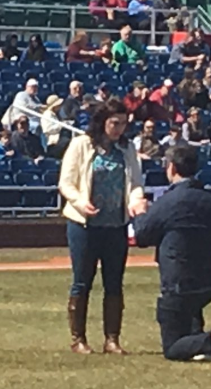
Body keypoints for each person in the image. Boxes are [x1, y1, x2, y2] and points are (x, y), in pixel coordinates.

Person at [129, 144, 211, 363]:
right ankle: (199, 343)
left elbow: (142, 236)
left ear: (171, 167)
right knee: (190, 310)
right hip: (209, 280)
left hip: (178, 282)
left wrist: (140, 213)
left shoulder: (168, 201)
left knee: (172, 347)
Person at [58, 99, 145, 355]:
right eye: (114, 123)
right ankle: (78, 339)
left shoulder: (127, 149)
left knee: (114, 283)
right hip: (84, 225)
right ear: (102, 122)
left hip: (116, 225)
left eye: (123, 124)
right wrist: (80, 201)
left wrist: (136, 200)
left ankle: (112, 339)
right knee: (82, 282)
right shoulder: (81, 145)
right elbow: (66, 183)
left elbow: (135, 183)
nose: (119, 129)